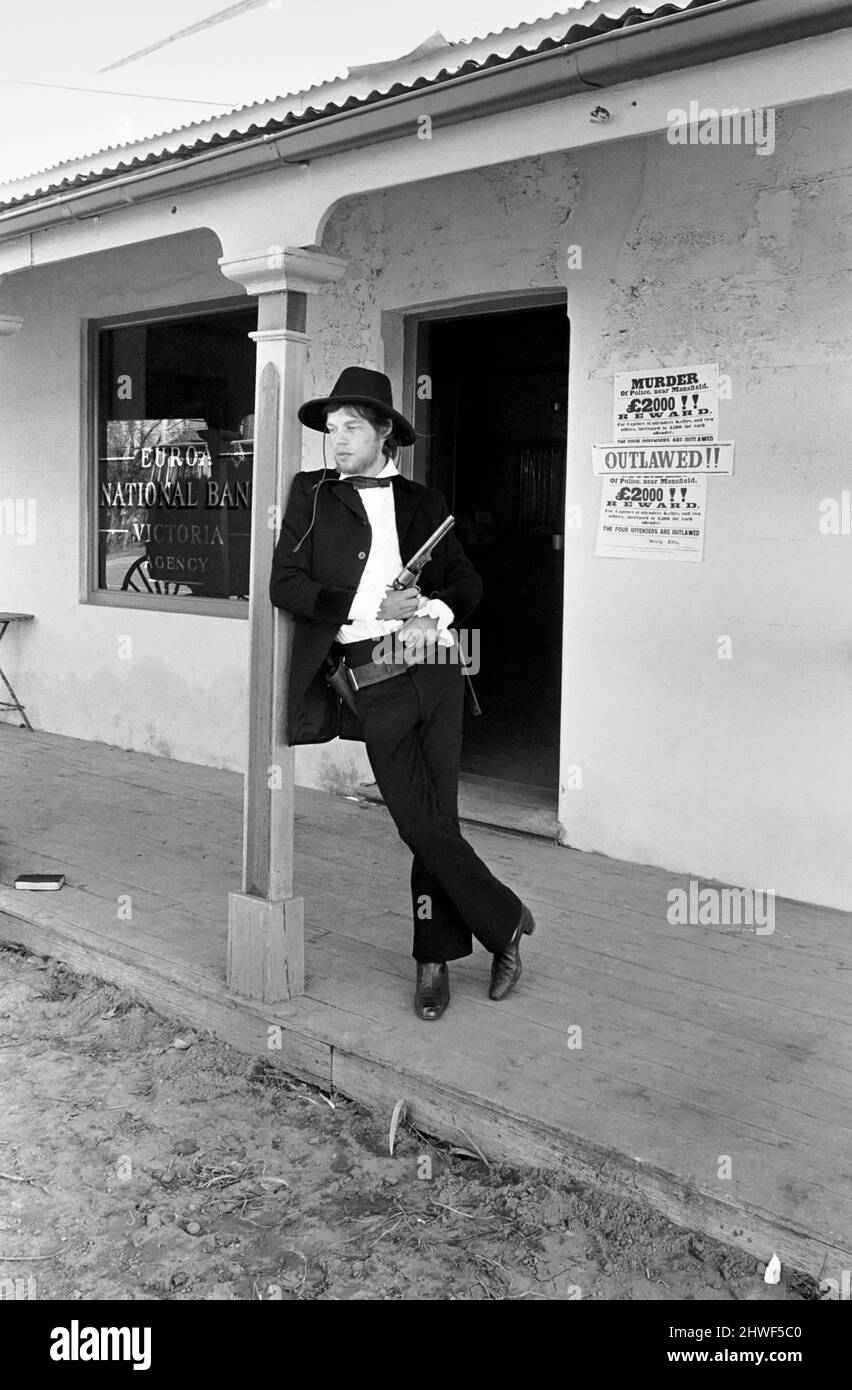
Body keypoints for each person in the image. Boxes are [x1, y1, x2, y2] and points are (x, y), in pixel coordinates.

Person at [269, 367, 535, 1021]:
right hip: (373, 676)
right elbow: (287, 584)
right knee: (417, 822)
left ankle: (432, 961)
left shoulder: (424, 501)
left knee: (436, 818)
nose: (337, 440)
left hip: (437, 671)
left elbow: (467, 583)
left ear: (386, 430)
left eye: (351, 427)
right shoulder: (312, 496)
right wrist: (370, 602)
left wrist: (432, 613)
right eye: (331, 429)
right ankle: (505, 921)